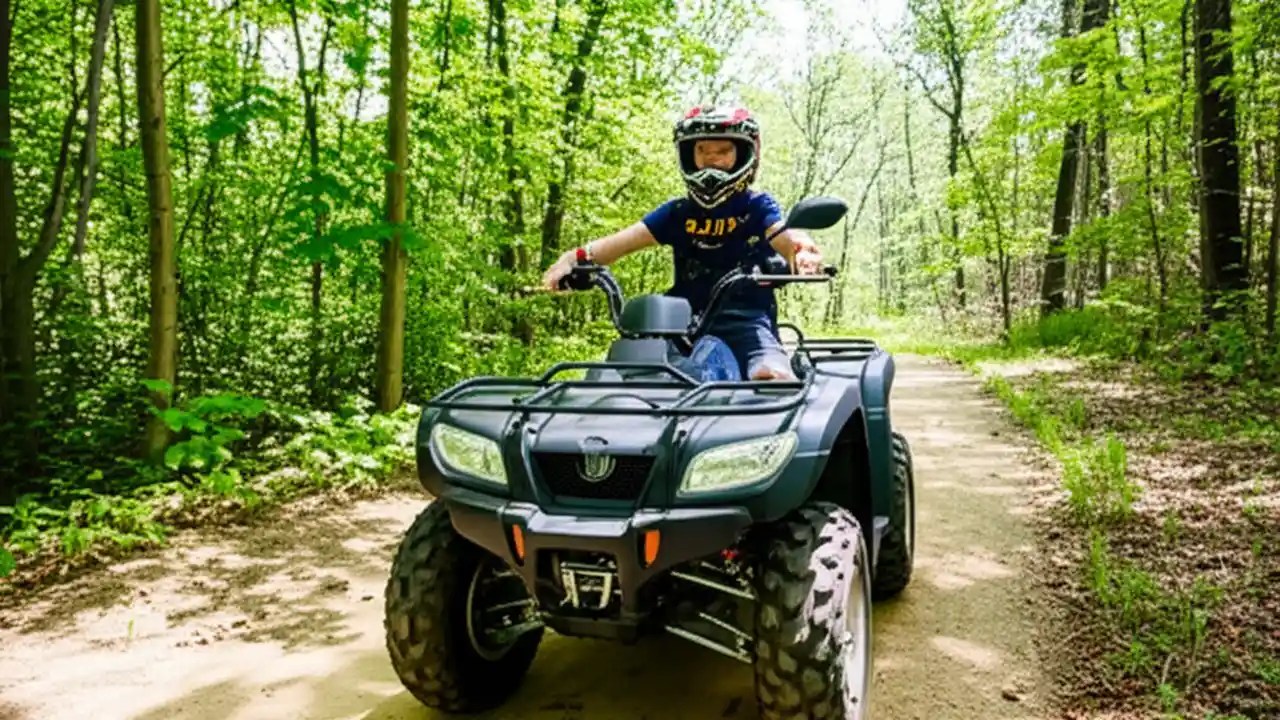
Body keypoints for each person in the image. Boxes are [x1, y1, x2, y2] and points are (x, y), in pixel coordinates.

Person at [541, 105, 824, 381]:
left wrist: (801, 250)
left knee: (773, 377)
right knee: (626, 376)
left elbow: (782, 235)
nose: (711, 160)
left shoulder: (757, 206)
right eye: (702, 151)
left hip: (746, 323)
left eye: (723, 151)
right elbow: (618, 245)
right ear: (689, 155)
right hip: (679, 327)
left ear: (746, 154)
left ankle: (776, 424)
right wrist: (572, 258)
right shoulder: (677, 213)